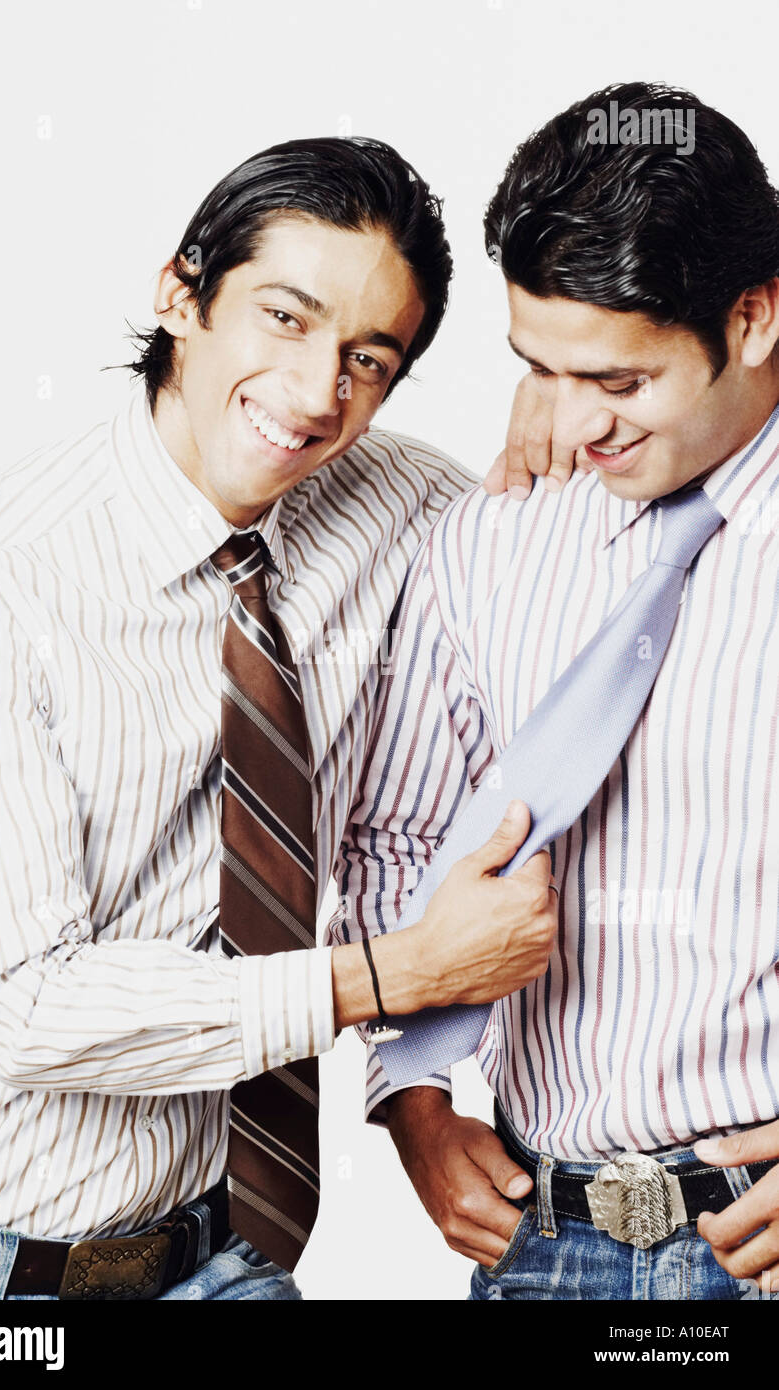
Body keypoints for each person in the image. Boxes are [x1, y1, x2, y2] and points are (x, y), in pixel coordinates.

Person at [0, 135, 557, 1301]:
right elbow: (29, 1004)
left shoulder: (398, 503)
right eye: (285, 318)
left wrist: (552, 393)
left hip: (221, 1253)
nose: (318, 397)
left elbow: (598, 586)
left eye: (370, 357)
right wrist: (387, 975)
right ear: (179, 293)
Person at [332, 82, 779, 1301]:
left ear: (750, 318)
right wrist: (409, 1099)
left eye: (618, 382)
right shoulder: (489, 539)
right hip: (545, 1240)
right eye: (541, 368)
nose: (574, 423)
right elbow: (397, 836)